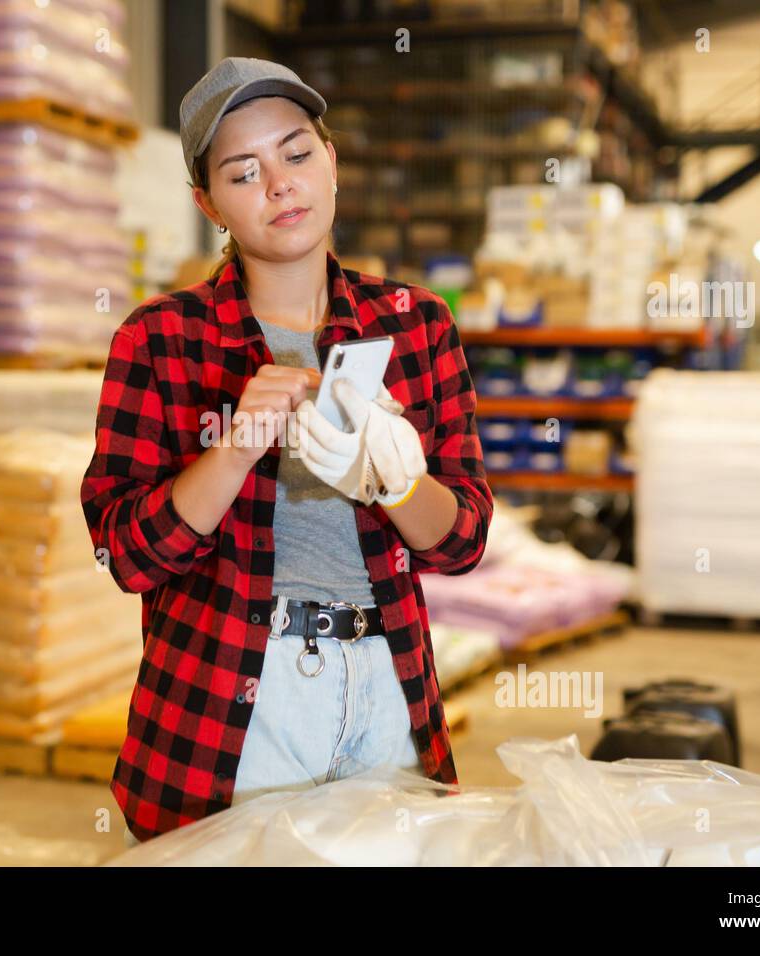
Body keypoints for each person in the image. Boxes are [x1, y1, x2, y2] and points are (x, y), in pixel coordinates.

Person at [80, 57, 493, 849]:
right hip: (239, 694)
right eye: (244, 172)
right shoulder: (162, 339)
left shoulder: (415, 325)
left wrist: (395, 481)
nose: (280, 185)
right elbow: (127, 555)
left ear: (332, 161)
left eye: (297, 154)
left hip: (387, 686)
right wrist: (233, 451)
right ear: (208, 204)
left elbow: (463, 540)